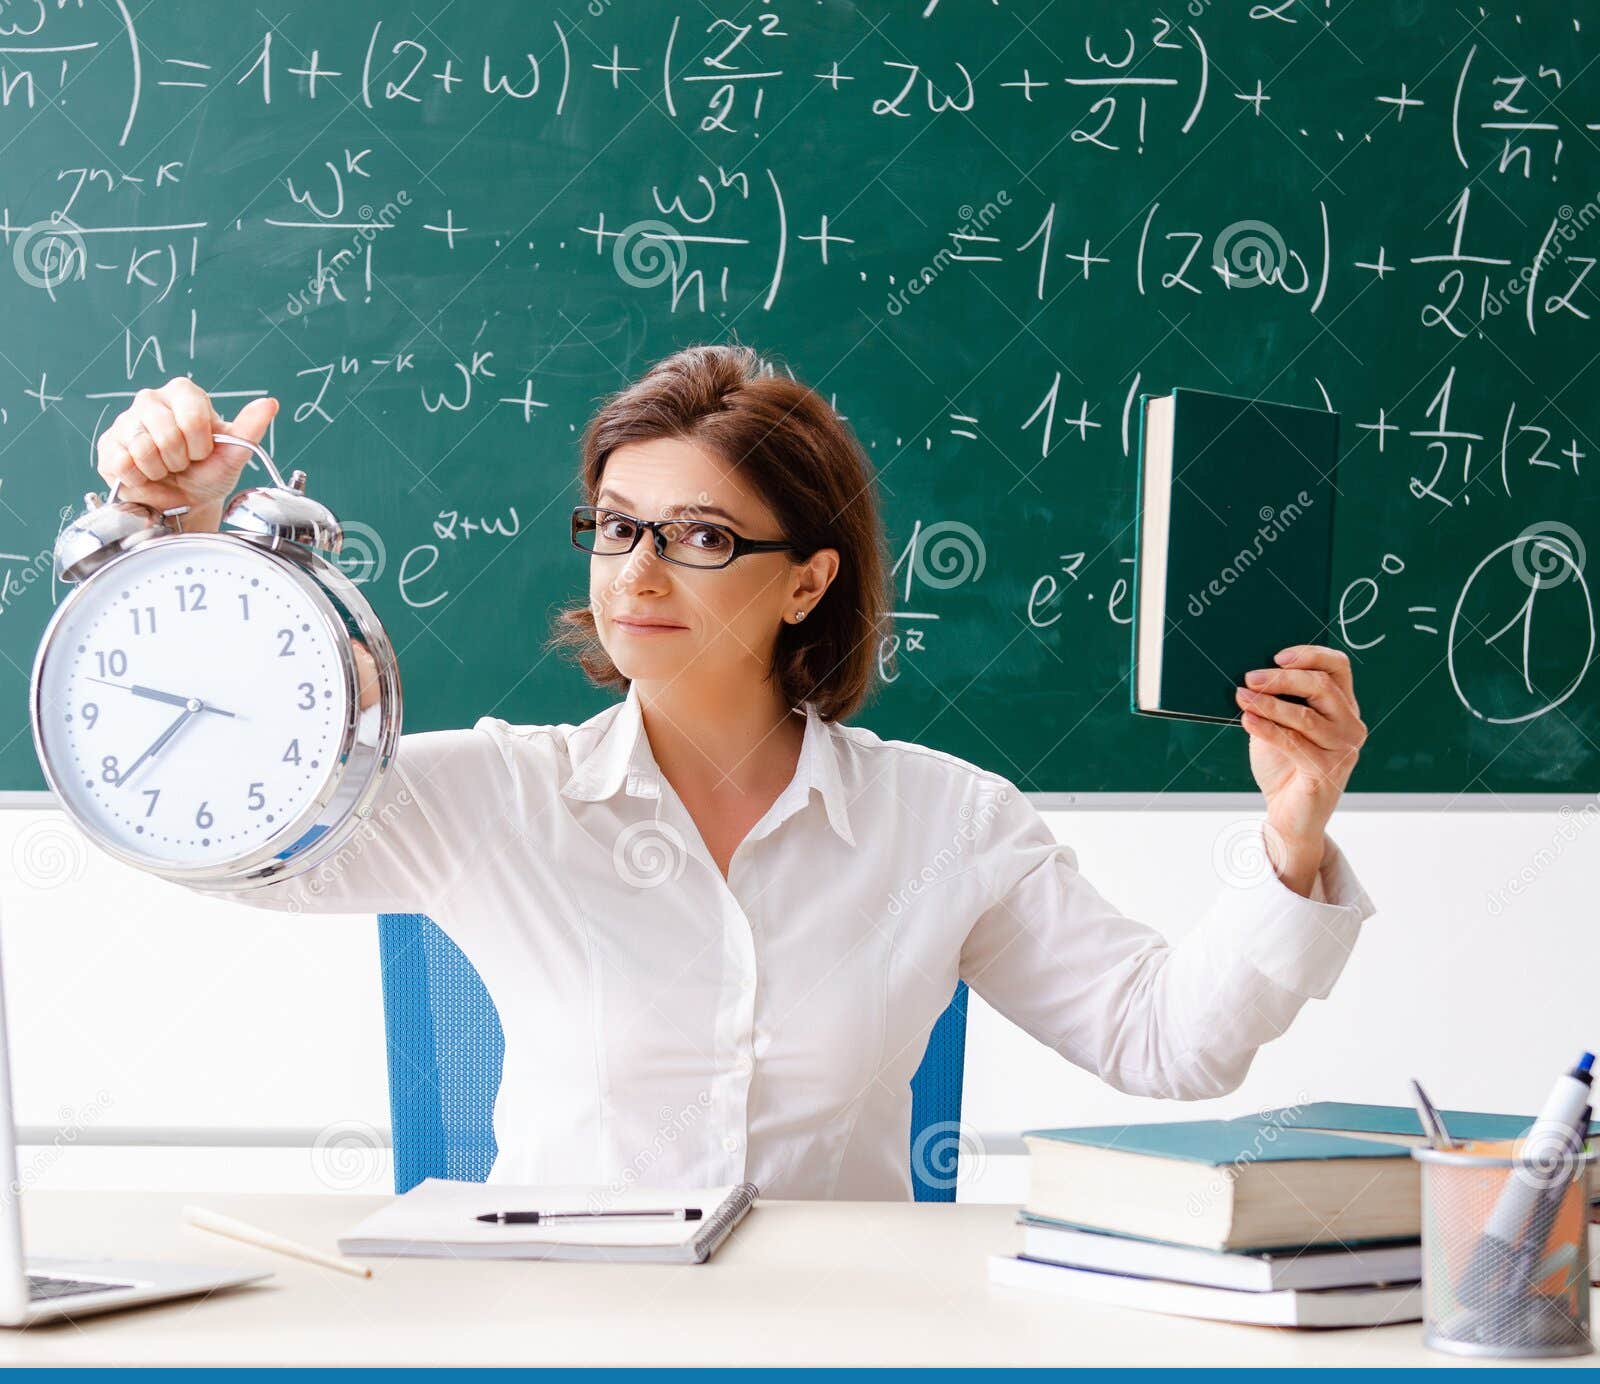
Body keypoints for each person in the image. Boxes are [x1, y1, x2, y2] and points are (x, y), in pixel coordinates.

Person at [92, 344, 1374, 1200]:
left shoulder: (945, 822)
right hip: (560, 1361)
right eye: (616, 528)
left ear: (807, 580)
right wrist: (183, 544)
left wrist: (1293, 835)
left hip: (838, 1371)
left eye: (700, 535)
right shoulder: (496, 797)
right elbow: (227, 845)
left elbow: (1167, 1047)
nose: (636, 574)